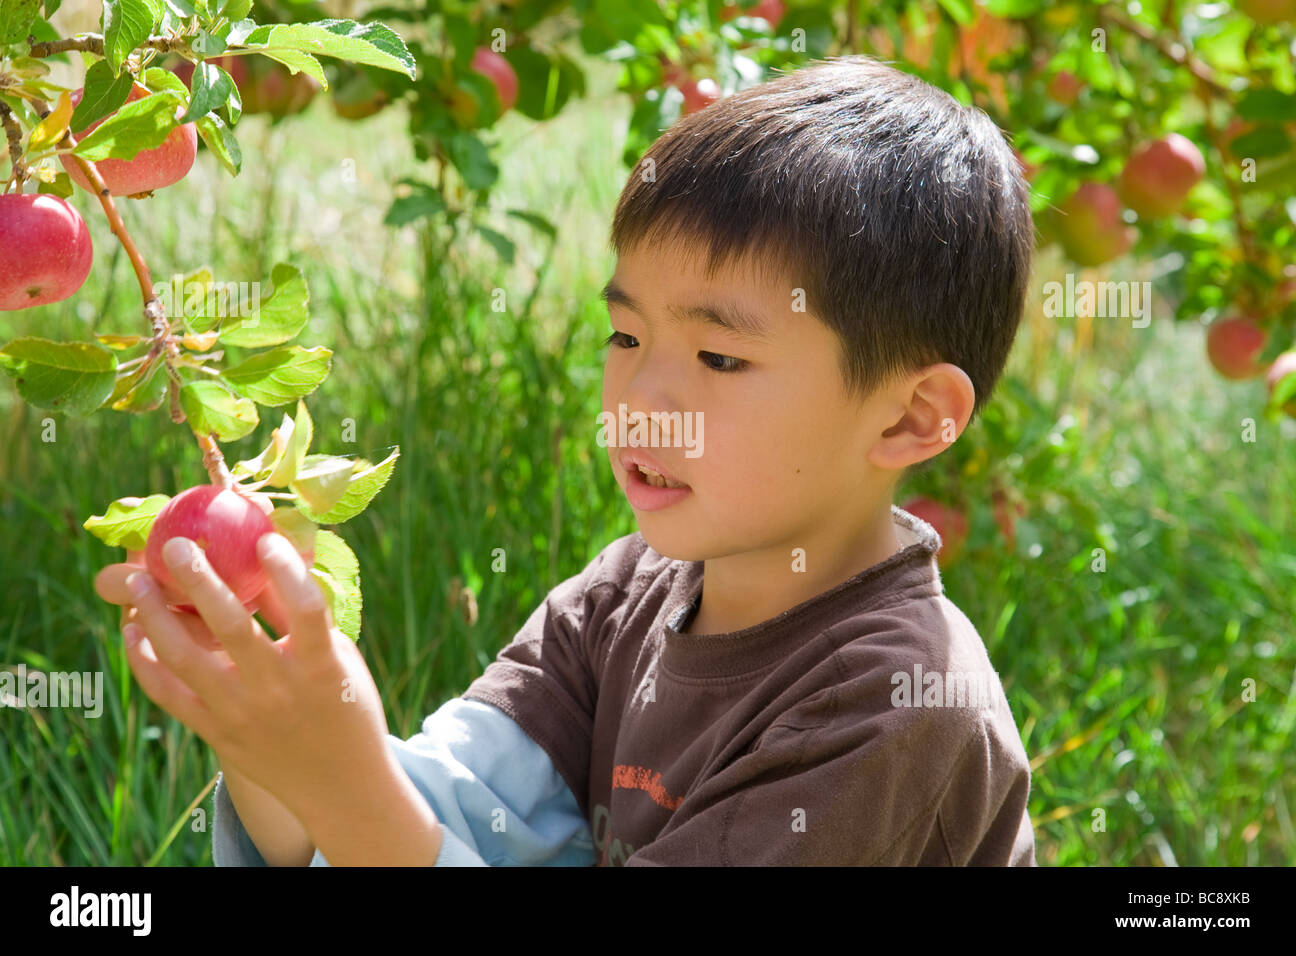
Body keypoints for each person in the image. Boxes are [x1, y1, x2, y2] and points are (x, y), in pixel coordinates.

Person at [95, 54, 1037, 866]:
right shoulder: (632, 592)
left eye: (719, 357)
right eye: (626, 337)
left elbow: (378, 821)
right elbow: (460, 814)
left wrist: (341, 786)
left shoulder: (901, 704)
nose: (637, 400)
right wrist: (268, 743)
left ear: (913, 419)